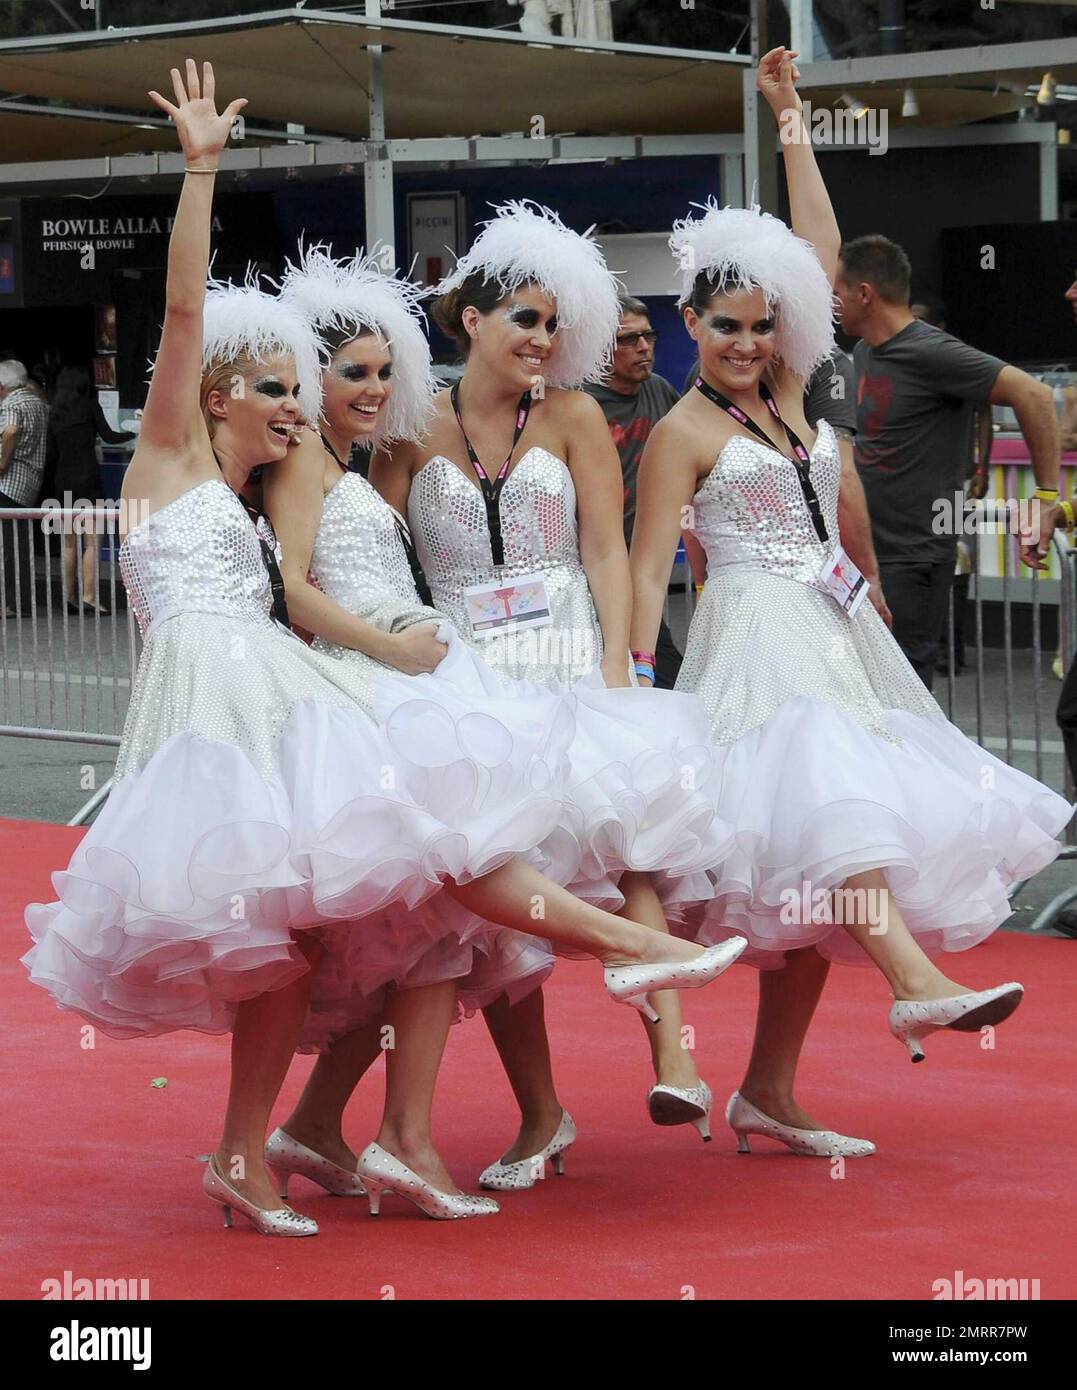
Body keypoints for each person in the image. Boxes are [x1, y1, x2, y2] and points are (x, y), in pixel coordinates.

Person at [21, 62, 738, 1234]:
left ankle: (260, 1149)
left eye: (314, 387)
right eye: (280, 387)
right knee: (409, 867)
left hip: (279, 698)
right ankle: (620, 945)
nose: (299, 403)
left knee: (336, 937)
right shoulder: (169, 459)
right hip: (221, 718)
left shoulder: (276, 477)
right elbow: (192, 313)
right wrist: (201, 173)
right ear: (211, 394)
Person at [629, 48, 1072, 1157]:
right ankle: (915, 981)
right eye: (723, 326)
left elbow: (817, 259)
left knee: (809, 871)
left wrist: (791, 122)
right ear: (691, 328)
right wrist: (633, 680)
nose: (746, 342)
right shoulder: (682, 435)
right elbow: (644, 567)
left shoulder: (788, 395)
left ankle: (768, 1090)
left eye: (760, 325)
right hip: (753, 635)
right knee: (826, 812)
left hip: (838, 626)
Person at [374, 200, 743, 1185]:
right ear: (472, 322)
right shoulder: (410, 427)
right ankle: (542, 1115)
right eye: (525, 320)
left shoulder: (577, 415)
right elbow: (364, 546)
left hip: (567, 650)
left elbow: (606, 548)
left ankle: (674, 1056)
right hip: (467, 673)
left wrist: (622, 663)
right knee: (493, 893)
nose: (543, 339)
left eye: (553, 323)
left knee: (631, 843)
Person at [836, 236, 1061, 690]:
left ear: (864, 294)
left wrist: (1045, 498)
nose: (832, 303)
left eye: (837, 291)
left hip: (912, 557)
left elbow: (1034, 395)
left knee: (902, 707)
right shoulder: (862, 354)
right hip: (865, 555)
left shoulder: (932, 350)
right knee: (861, 699)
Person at [583, 292, 683, 686]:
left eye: (648, 336)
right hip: (594, 568)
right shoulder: (580, 403)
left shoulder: (659, 391)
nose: (643, 348)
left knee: (664, 672)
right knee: (608, 674)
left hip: (644, 564)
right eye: (628, 340)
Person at [46, 365, 136, 615]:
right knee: (92, 542)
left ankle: (69, 596)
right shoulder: (89, 407)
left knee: (69, 543)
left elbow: (51, 453)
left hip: (63, 479)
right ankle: (89, 596)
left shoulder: (55, 413)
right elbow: (109, 436)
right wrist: (135, 431)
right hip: (87, 478)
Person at [0, 358, 49, 618]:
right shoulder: (36, 402)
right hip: (30, 482)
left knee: (7, 547)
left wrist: (1, 463)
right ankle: (21, 600)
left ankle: (9, 603)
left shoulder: (10, 404)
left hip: (8, 483)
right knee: (19, 546)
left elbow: (9, 432)